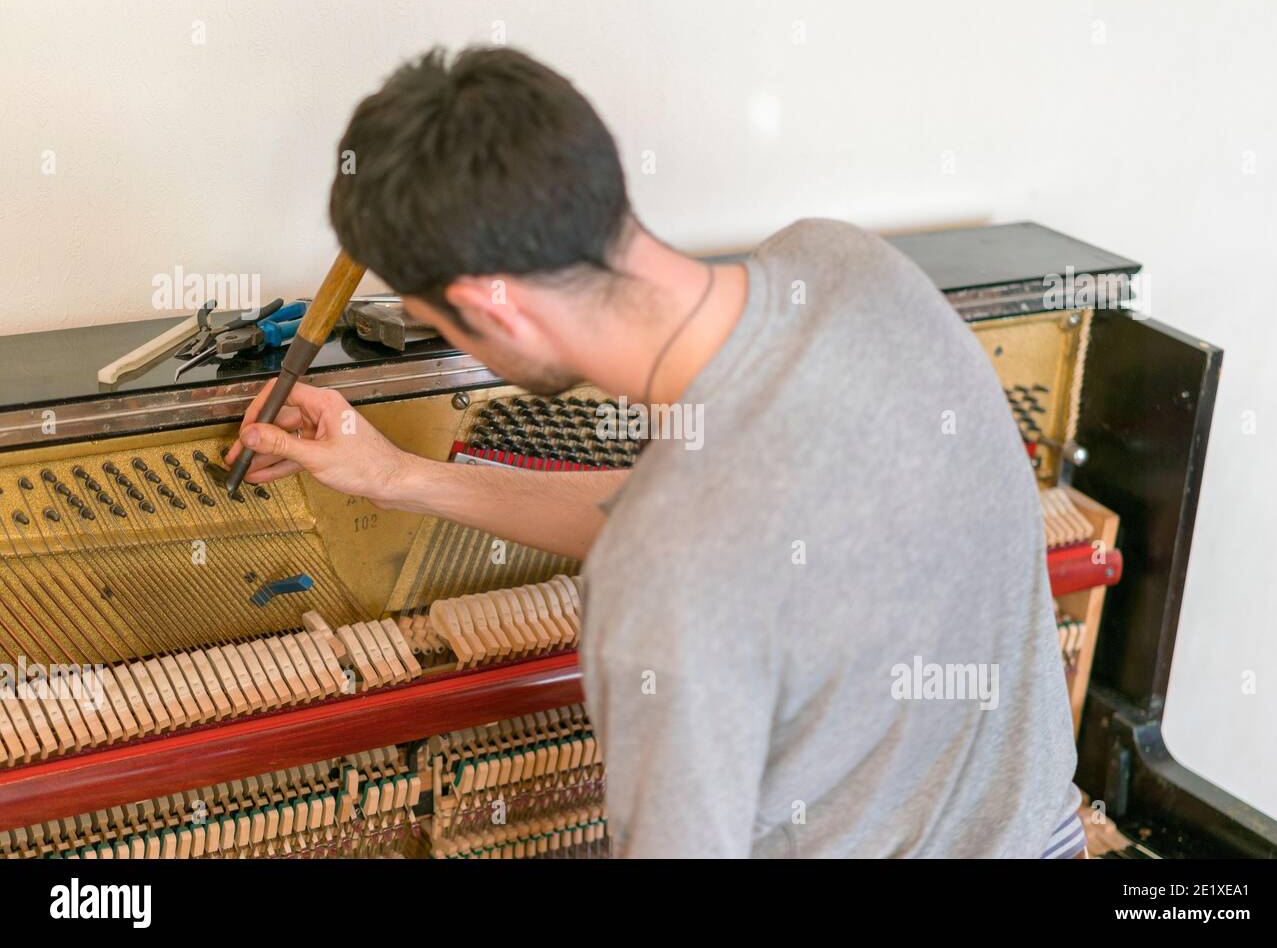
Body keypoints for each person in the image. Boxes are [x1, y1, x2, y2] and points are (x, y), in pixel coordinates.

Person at [227, 45, 1084, 858]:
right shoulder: (841, 263)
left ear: (499, 308)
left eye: (444, 323)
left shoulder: (663, 576)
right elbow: (725, 529)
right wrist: (397, 477)